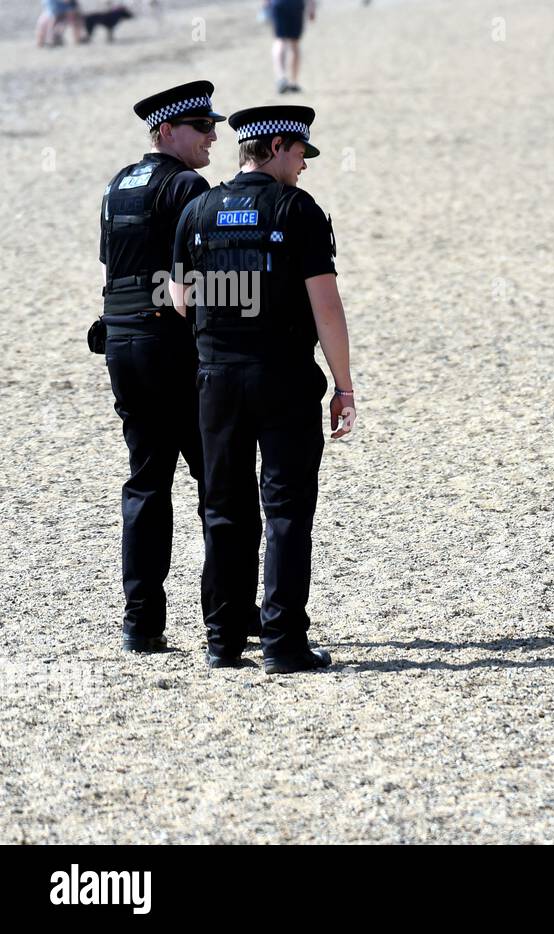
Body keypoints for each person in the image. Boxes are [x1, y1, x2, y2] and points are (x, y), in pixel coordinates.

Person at [170, 105, 355, 674]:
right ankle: (282, 643)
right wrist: (344, 388)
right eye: (300, 154)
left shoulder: (197, 209)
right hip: (282, 380)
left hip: (217, 381)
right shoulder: (296, 210)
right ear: (276, 146)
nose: (303, 166)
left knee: (224, 508)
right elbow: (326, 307)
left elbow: (179, 300)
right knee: (286, 511)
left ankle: (223, 642)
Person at [98, 81, 225, 653]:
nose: (213, 138)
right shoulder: (185, 185)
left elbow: (114, 265)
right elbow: (196, 276)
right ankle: (226, 619)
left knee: (147, 481)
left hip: (122, 343)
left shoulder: (118, 184)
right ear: (168, 131)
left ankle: (141, 624)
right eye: (203, 129)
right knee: (216, 481)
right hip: (171, 344)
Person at [264, 0, 316, 94]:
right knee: (294, 43)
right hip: (295, 4)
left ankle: (281, 77)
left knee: (280, 41)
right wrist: (312, 8)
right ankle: (294, 82)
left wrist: (265, 6)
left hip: (278, 4)